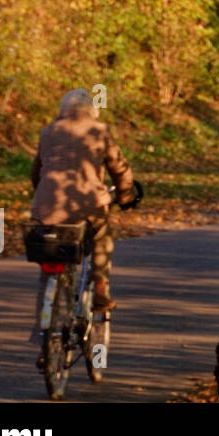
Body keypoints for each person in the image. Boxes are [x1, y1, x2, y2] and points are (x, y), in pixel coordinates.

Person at [29, 89, 141, 311]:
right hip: (87, 205)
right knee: (101, 236)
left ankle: (49, 305)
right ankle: (100, 288)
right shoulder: (99, 131)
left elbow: (36, 171)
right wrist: (125, 196)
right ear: (92, 110)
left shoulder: (48, 132)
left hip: (47, 208)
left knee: (50, 240)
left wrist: (43, 196)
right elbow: (119, 169)